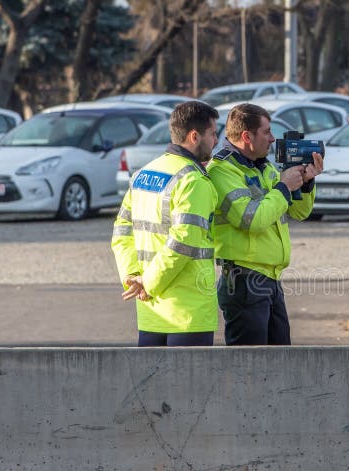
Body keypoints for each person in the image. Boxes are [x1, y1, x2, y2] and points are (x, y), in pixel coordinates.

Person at [207, 103, 323, 345]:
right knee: (250, 367)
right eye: (267, 132)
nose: (272, 139)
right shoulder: (222, 170)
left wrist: (306, 183)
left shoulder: (264, 166)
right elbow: (253, 220)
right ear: (247, 136)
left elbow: (299, 212)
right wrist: (283, 187)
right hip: (243, 278)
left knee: (279, 360)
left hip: (269, 277)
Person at [111, 101, 220, 347]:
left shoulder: (142, 174)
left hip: (150, 313)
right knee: (190, 386)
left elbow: (121, 233)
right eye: (213, 134)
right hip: (188, 312)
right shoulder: (193, 181)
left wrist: (133, 279)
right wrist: (147, 283)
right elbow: (183, 241)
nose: (216, 141)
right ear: (194, 136)